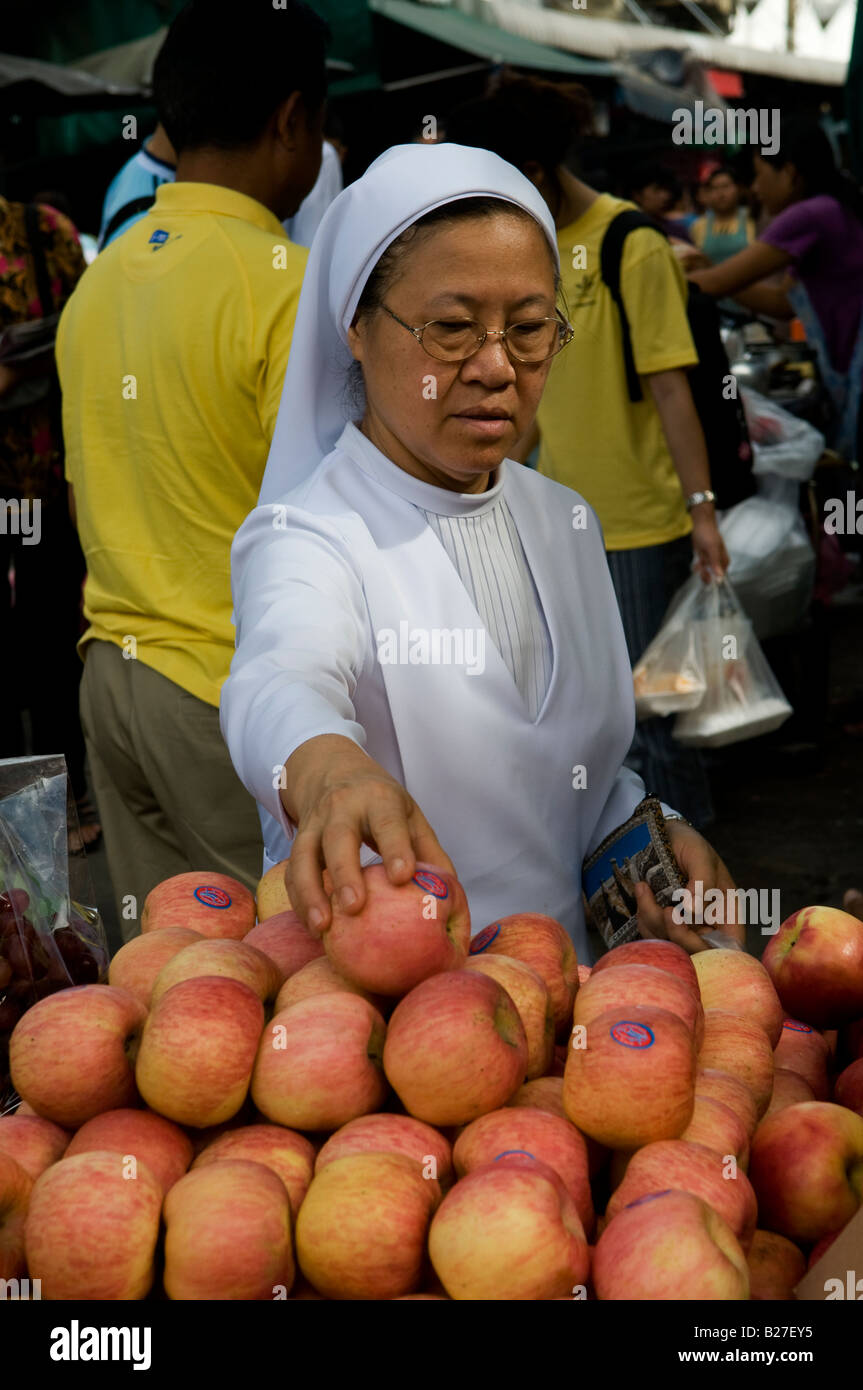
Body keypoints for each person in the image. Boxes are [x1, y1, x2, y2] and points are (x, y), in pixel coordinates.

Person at [220, 140, 737, 961]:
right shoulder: (311, 535)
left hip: (575, 1019)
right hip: (400, 1027)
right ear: (355, 327)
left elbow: (582, 781)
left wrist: (653, 838)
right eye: (451, 329)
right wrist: (325, 769)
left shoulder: (564, 520)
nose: (496, 367)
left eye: (529, 330)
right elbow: (278, 678)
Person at [55, 0, 329, 935]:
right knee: (273, 977)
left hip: (110, 684)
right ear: (294, 119)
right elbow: (326, 521)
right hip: (227, 696)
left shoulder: (99, 281)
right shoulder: (287, 283)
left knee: (167, 977)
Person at [443, 72, 727, 828]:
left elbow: (673, 391)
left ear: (532, 175)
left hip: (638, 527)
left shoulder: (630, 243)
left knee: (656, 723)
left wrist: (701, 512)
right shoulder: (525, 252)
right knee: (595, 725)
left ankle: (693, 898)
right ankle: (633, 897)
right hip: (555, 526)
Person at [0, 195, 97, 850]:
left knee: (56, 646)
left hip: (43, 479)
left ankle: (64, 805)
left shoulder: (44, 229)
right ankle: (16, 819)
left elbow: (87, 329)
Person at [690, 120, 863, 460]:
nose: (754, 188)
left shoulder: (809, 214)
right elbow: (783, 302)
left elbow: (718, 284)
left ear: (789, 172)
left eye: (759, 174)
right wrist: (710, 273)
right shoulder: (832, 206)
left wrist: (653, 269)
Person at [691, 165, 756, 265]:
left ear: (738, 189)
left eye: (725, 186)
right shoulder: (699, 225)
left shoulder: (752, 217)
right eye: (715, 188)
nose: (721, 194)